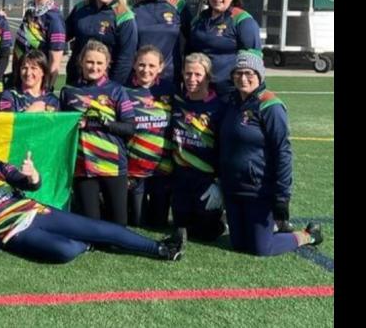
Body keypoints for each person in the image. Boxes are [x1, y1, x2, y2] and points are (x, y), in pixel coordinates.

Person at [0, 125, 182, 264]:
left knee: (101, 228)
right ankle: (89, 244)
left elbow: (29, 186)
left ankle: (161, 249)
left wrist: (32, 176)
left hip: (38, 213)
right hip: (16, 233)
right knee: (65, 251)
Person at [218, 51, 323, 255]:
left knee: (261, 248)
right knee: (238, 244)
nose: (243, 78)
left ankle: (308, 235)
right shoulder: (231, 102)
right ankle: (270, 227)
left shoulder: (270, 106)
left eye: (249, 73)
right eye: (238, 73)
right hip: (232, 189)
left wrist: (282, 195)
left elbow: (283, 152)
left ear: (260, 75)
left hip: (258, 189)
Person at [60, 39, 135, 226]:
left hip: (113, 165)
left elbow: (130, 128)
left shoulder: (117, 91)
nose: (94, 67)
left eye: (99, 63)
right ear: (81, 62)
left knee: (119, 228)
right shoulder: (68, 91)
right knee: (91, 229)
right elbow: (60, 126)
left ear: (107, 64)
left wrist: (99, 122)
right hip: (83, 167)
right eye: (90, 62)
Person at [169, 53, 228, 242]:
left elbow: (225, 148)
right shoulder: (177, 101)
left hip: (206, 178)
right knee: (182, 227)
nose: (192, 79)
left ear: (208, 77)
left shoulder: (219, 107)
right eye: (188, 74)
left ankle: (223, 217)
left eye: (197, 75)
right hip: (181, 176)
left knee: (206, 234)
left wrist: (219, 183)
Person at [186, 0, 262, 100]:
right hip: (202, 90)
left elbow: (254, 59)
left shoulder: (243, 20)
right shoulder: (199, 19)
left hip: (229, 91)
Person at [124, 45, 174, 228]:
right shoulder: (124, 91)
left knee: (159, 223)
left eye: (152, 66)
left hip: (162, 167)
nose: (146, 70)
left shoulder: (170, 90)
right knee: (137, 221)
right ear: (134, 65)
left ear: (160, 67)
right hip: (135, 166)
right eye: (142, 65)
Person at [66, 0, 138, 86]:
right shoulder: (80, 8)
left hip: (105, 85)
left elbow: (125, 59)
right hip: (76, 80)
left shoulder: (124, 16)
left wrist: (111, 88)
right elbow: (62, 36)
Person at [130, 0, 188, 97]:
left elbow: (190, 38)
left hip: (169, 75)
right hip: (141, 75)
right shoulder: (132, 5)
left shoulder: (179, 5)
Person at [12, 0, 67, 85]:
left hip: (36, 85)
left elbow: (55, 63)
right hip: (19, 79)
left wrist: (46, 90)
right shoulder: (30, 12)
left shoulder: (54, 19)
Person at [0, 49, 61, 113]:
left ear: (43, 72)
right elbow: (8, 121)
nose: (28, 73)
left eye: (33, 68)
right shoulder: (10, 96)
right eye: (24, 68)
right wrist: (31, 110)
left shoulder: (52, 100)